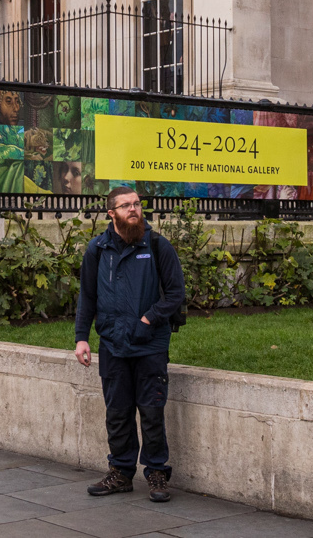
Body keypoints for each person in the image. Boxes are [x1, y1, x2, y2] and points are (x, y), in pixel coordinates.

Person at [73, 186, 186, 503]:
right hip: (113, 344)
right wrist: (82, 338)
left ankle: (157, 473)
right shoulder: (98, 249)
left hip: (150, 345)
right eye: (126, 206)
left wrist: (148, 319)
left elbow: (175, 294)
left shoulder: (157, 245)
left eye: (136, 204)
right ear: (111, 213)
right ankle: (121, 473)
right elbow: (87, 297)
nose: (133, 209)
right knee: (118, 413)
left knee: (152, 412)